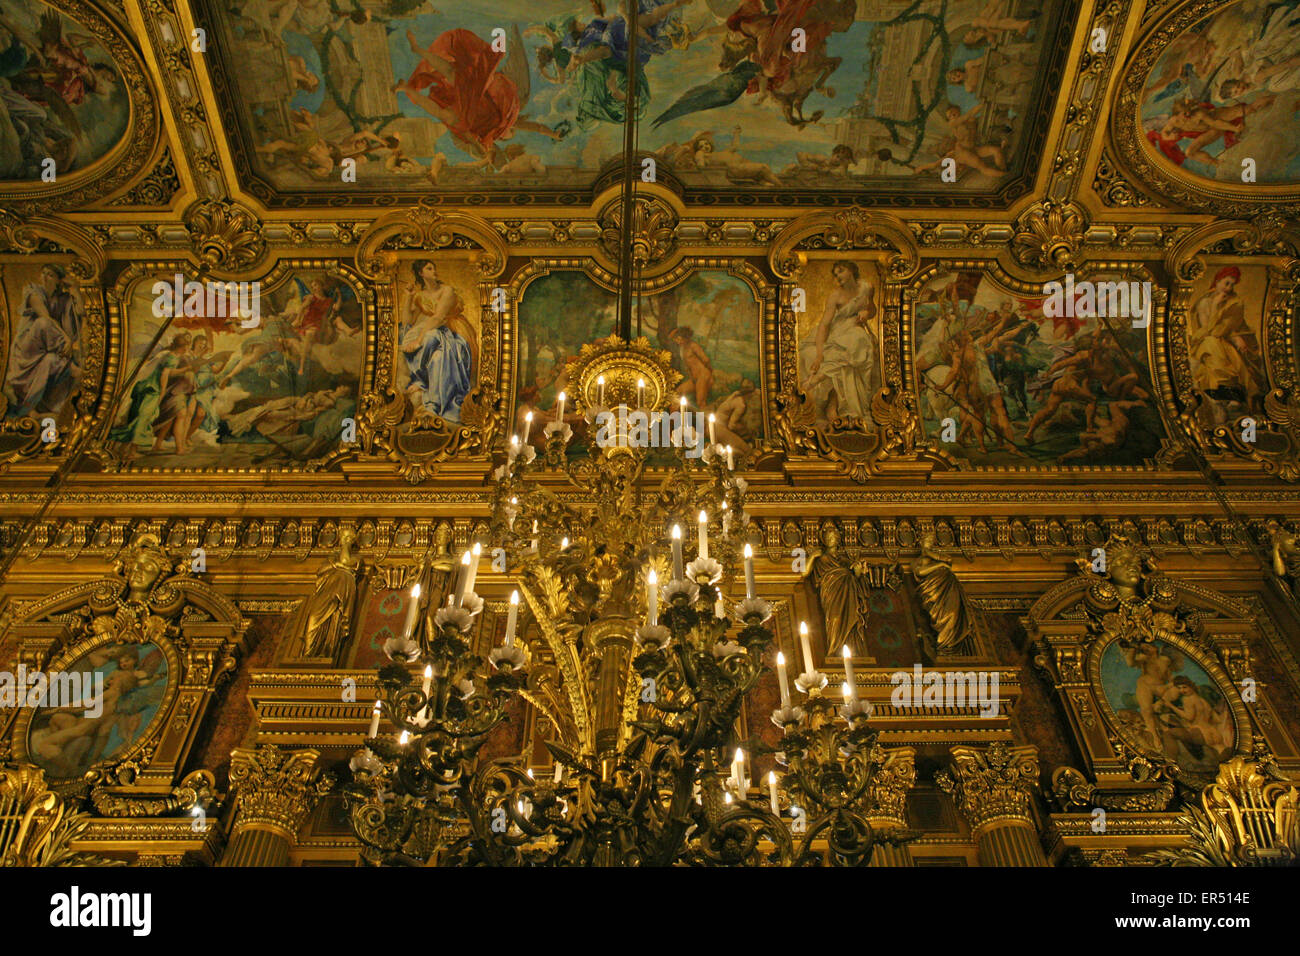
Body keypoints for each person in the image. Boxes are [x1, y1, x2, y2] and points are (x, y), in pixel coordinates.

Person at [800, 260, 879, 421]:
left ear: (851, 270)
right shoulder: (835, 296)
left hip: (855, 328)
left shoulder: (867, 287)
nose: (837, 275)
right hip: (837, 331)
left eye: (841, 271)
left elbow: (872, 309)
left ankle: (831, 398)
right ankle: (823, 387)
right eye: (835, 274)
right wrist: (820, 355)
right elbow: (825, 324)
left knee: (858, 338)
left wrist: (866, 312)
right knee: (856, 340)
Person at [401, 260, 477, 423]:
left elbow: (438, 317)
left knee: (431, 337)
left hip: (452, 333)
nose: (434, 271)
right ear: (421, 273)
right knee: (437, 357)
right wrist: (409, 298)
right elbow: (407, 321)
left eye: (434, 267)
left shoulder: (447, 290)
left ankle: (421, 382)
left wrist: (419, 340)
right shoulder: (420, 296)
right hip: (432, 334)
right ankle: (432, 405)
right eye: (429, 268)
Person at [4, 265, 82, 418]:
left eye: (51, 275)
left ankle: (33, 408)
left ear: (59, 281)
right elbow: (44, 317)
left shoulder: (63, 300)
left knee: (50, 360)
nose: (45, 277)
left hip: (46, 352)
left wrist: (75, 290)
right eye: (43, 273)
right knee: (43, 323)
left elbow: (82, 313)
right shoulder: (33, 291)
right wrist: (65, 339)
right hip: (27, 348)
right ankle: (71, 365)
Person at [1187, 265, 1263, 418]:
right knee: (1211, 344)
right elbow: (1208, 330)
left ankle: (1233, 394)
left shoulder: (1233, 301)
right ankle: (1221, 392)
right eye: (1226, 283)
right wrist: (1215, 306)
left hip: (1223, 339)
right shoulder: (1205, 302)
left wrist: (1236, 337)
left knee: (1232, 356)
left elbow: (1233, 325)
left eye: (1232, 284)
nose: (1228, 288)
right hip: (1204, 339)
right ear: (1218, 280)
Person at [670, 326, 714, 407]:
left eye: (679, 339)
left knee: (700, 401)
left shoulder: (693, 346)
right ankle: (673, 419)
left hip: (702, 375)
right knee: (677, 392)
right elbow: (688, 366)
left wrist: (710, 375)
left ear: (685, 338)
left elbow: (706, 360)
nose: (678, 341)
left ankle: (705, 419)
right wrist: (692, 377)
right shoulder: (683, 349)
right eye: (676, 340)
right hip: (694, 378)